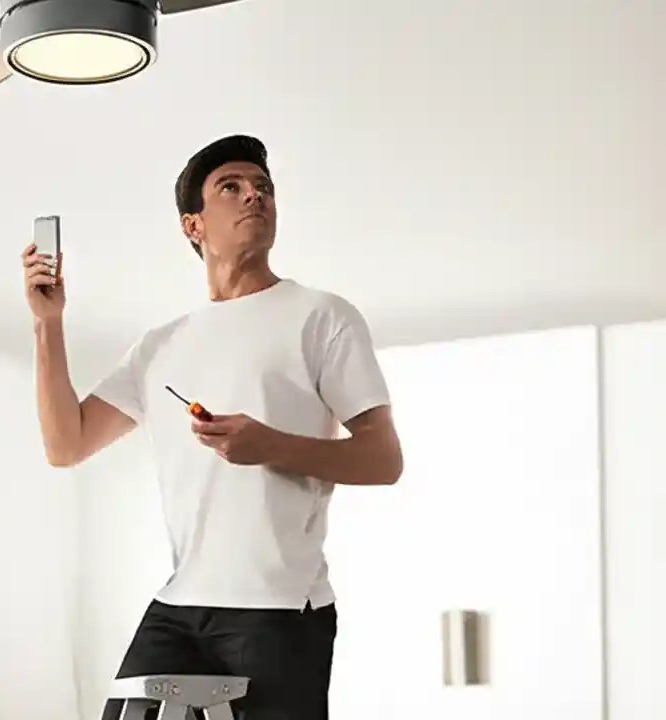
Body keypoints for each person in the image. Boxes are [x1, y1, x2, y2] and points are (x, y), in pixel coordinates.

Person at [21, 134, 404, 720]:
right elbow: (65, 444)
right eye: (232, 187)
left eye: (264, 188)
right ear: (192, 225)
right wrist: (48, 324)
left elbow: (383, 459)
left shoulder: (321, 316)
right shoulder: (160, 346)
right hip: (180, 604)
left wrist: (270, 445)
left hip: (279, 609)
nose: (254, 196)